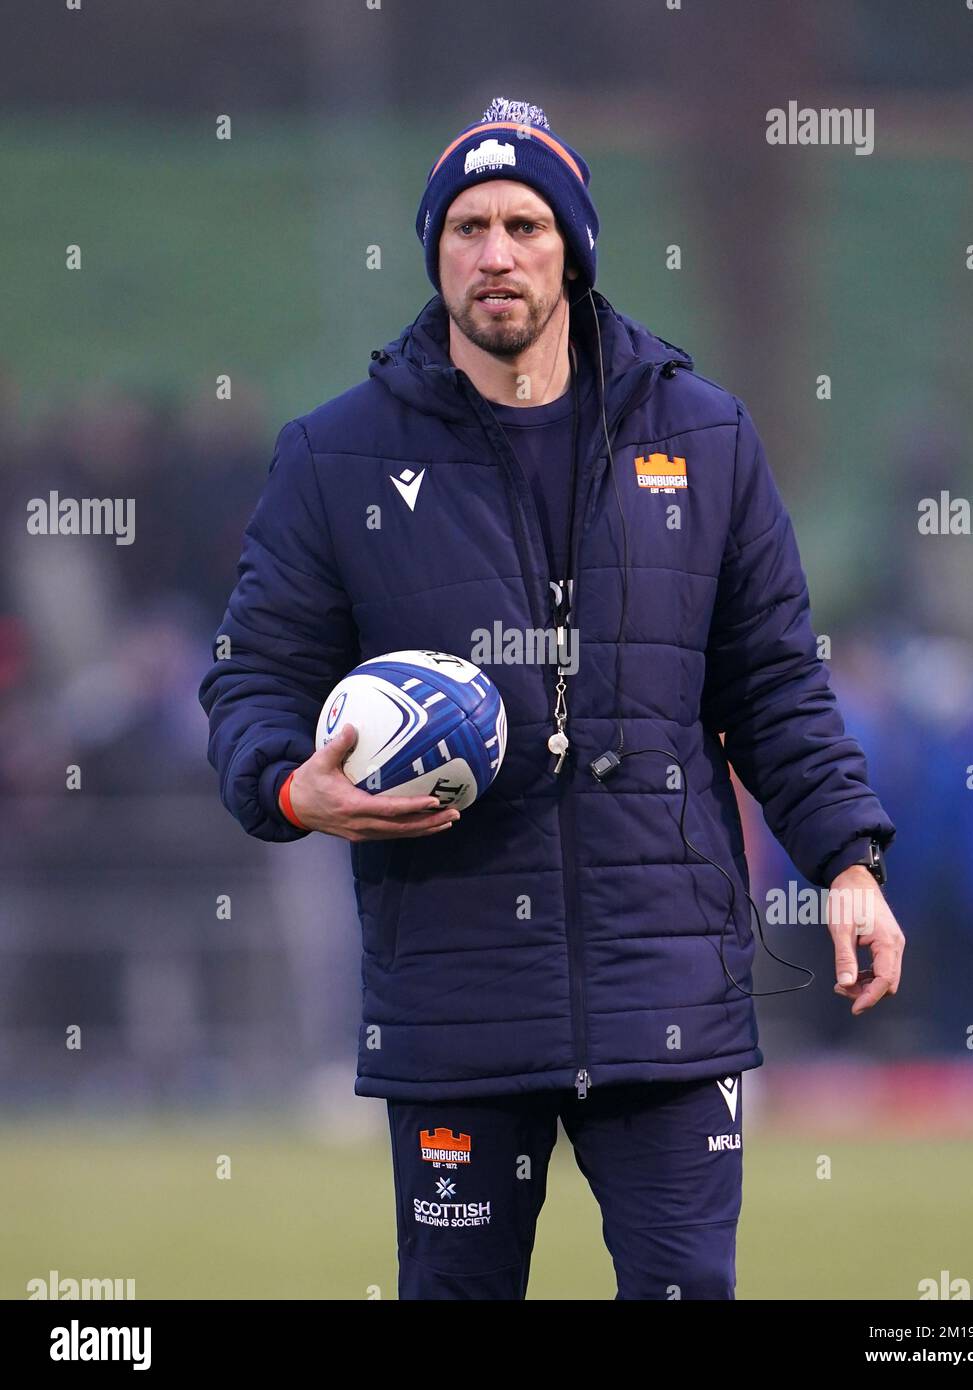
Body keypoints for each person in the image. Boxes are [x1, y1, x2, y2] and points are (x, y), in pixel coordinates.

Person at [199, 97, 905, 1300]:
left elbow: (775, 683)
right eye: (466, 226)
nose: (495, 252)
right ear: (435, 251)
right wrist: (288, 784)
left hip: (667, 996)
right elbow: (253, 676)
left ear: (571, 246)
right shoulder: (336, 458)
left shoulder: (707, 436)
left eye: (524, 222)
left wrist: (848, 862)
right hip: (456, 997)